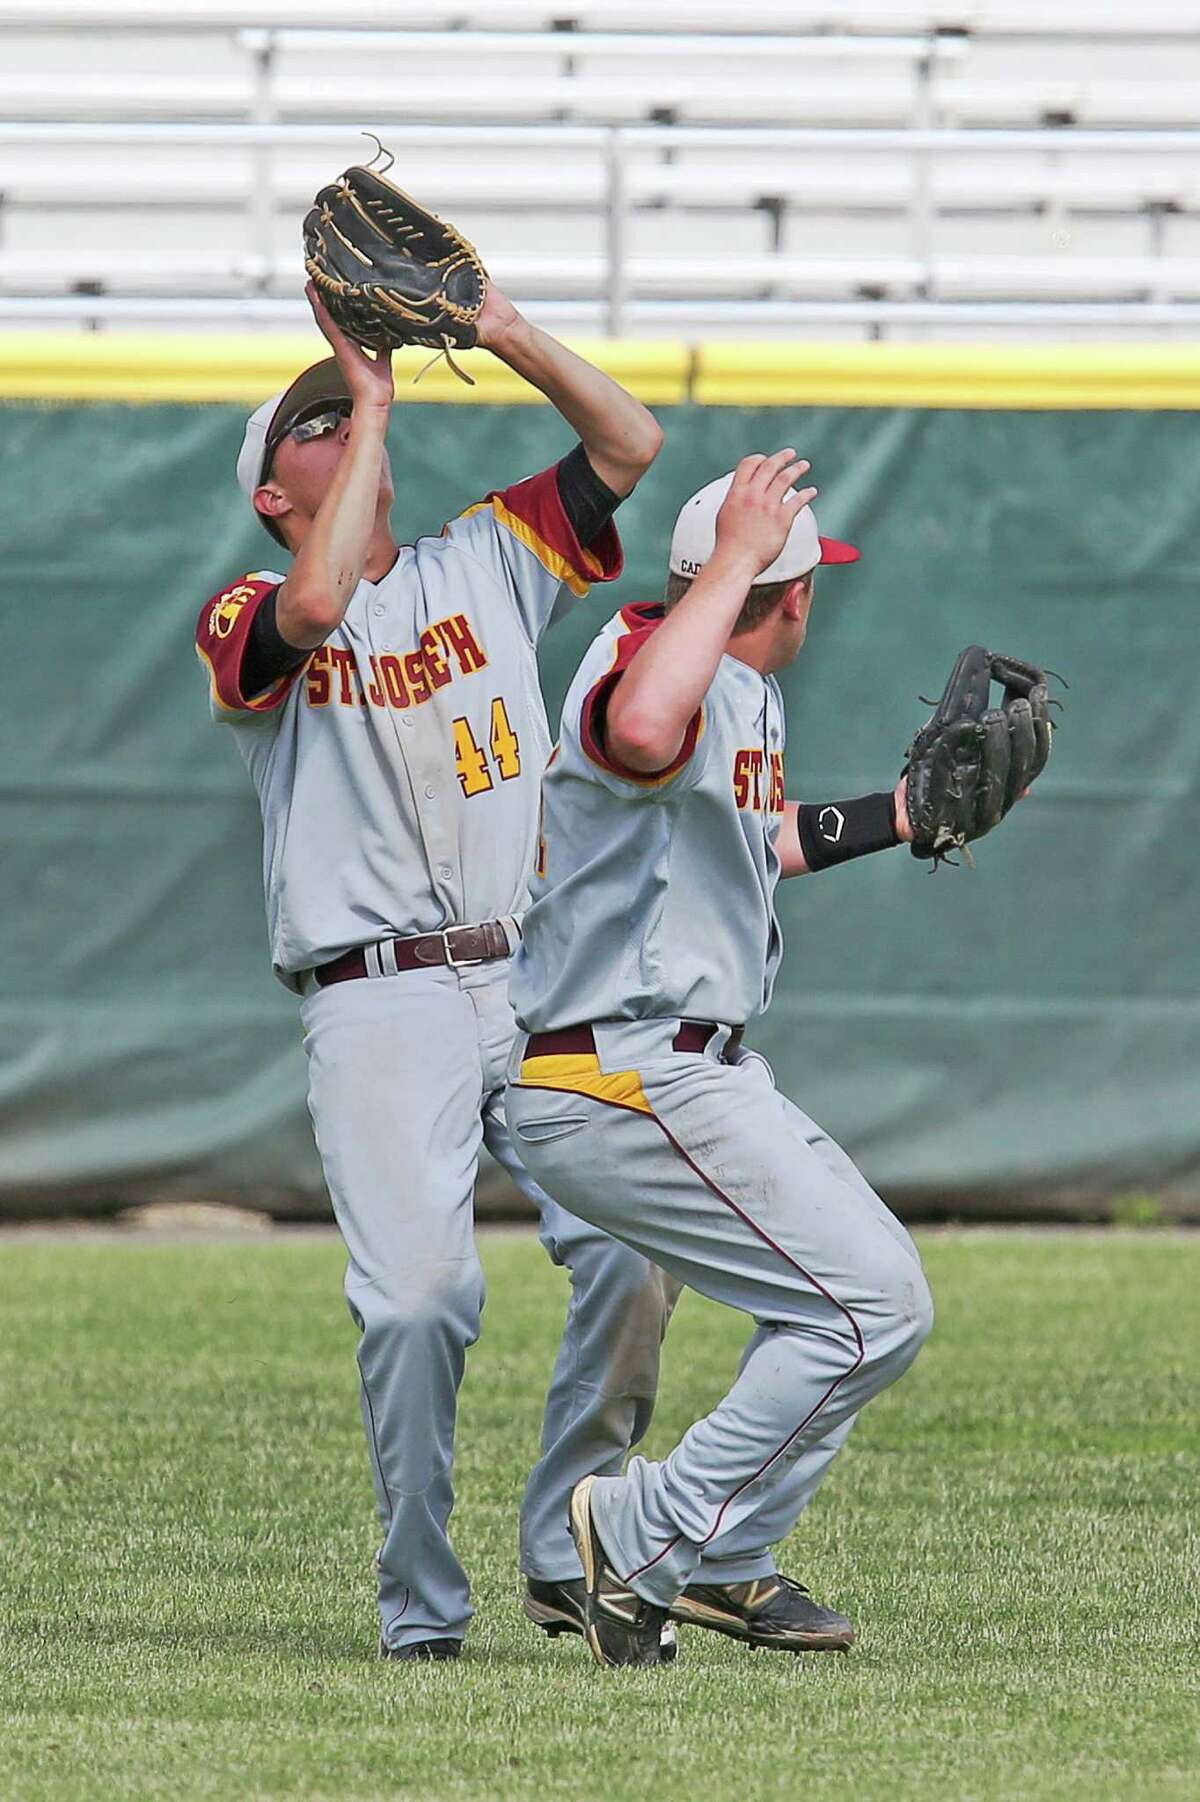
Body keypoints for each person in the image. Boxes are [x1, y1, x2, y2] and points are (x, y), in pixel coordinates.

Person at [194, 278, 680, 1662]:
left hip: (531, 968)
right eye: (315, 425)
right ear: (272, 494)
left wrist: (497, 324)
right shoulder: (248, 605)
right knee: (416, 1301)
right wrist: (388, 394)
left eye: (354, 406)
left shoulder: (489, 556)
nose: (347, 422)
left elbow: (631, 442)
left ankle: (561, 1545)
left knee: (639, 1245)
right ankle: (423, 1602)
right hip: (378, 995)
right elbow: (320, 600)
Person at [505, 450, 936, 1668]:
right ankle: (645, 1530)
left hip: (687, 1066)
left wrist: (893, 819)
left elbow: (755, 838)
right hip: (624, 1069)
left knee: (867, 1294)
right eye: (806, 586)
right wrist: (747, 553)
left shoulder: (729, 681)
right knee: (868, 1305)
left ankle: (722, 1556)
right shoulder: (648, 662)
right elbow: (643, 723)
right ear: (788, 595)